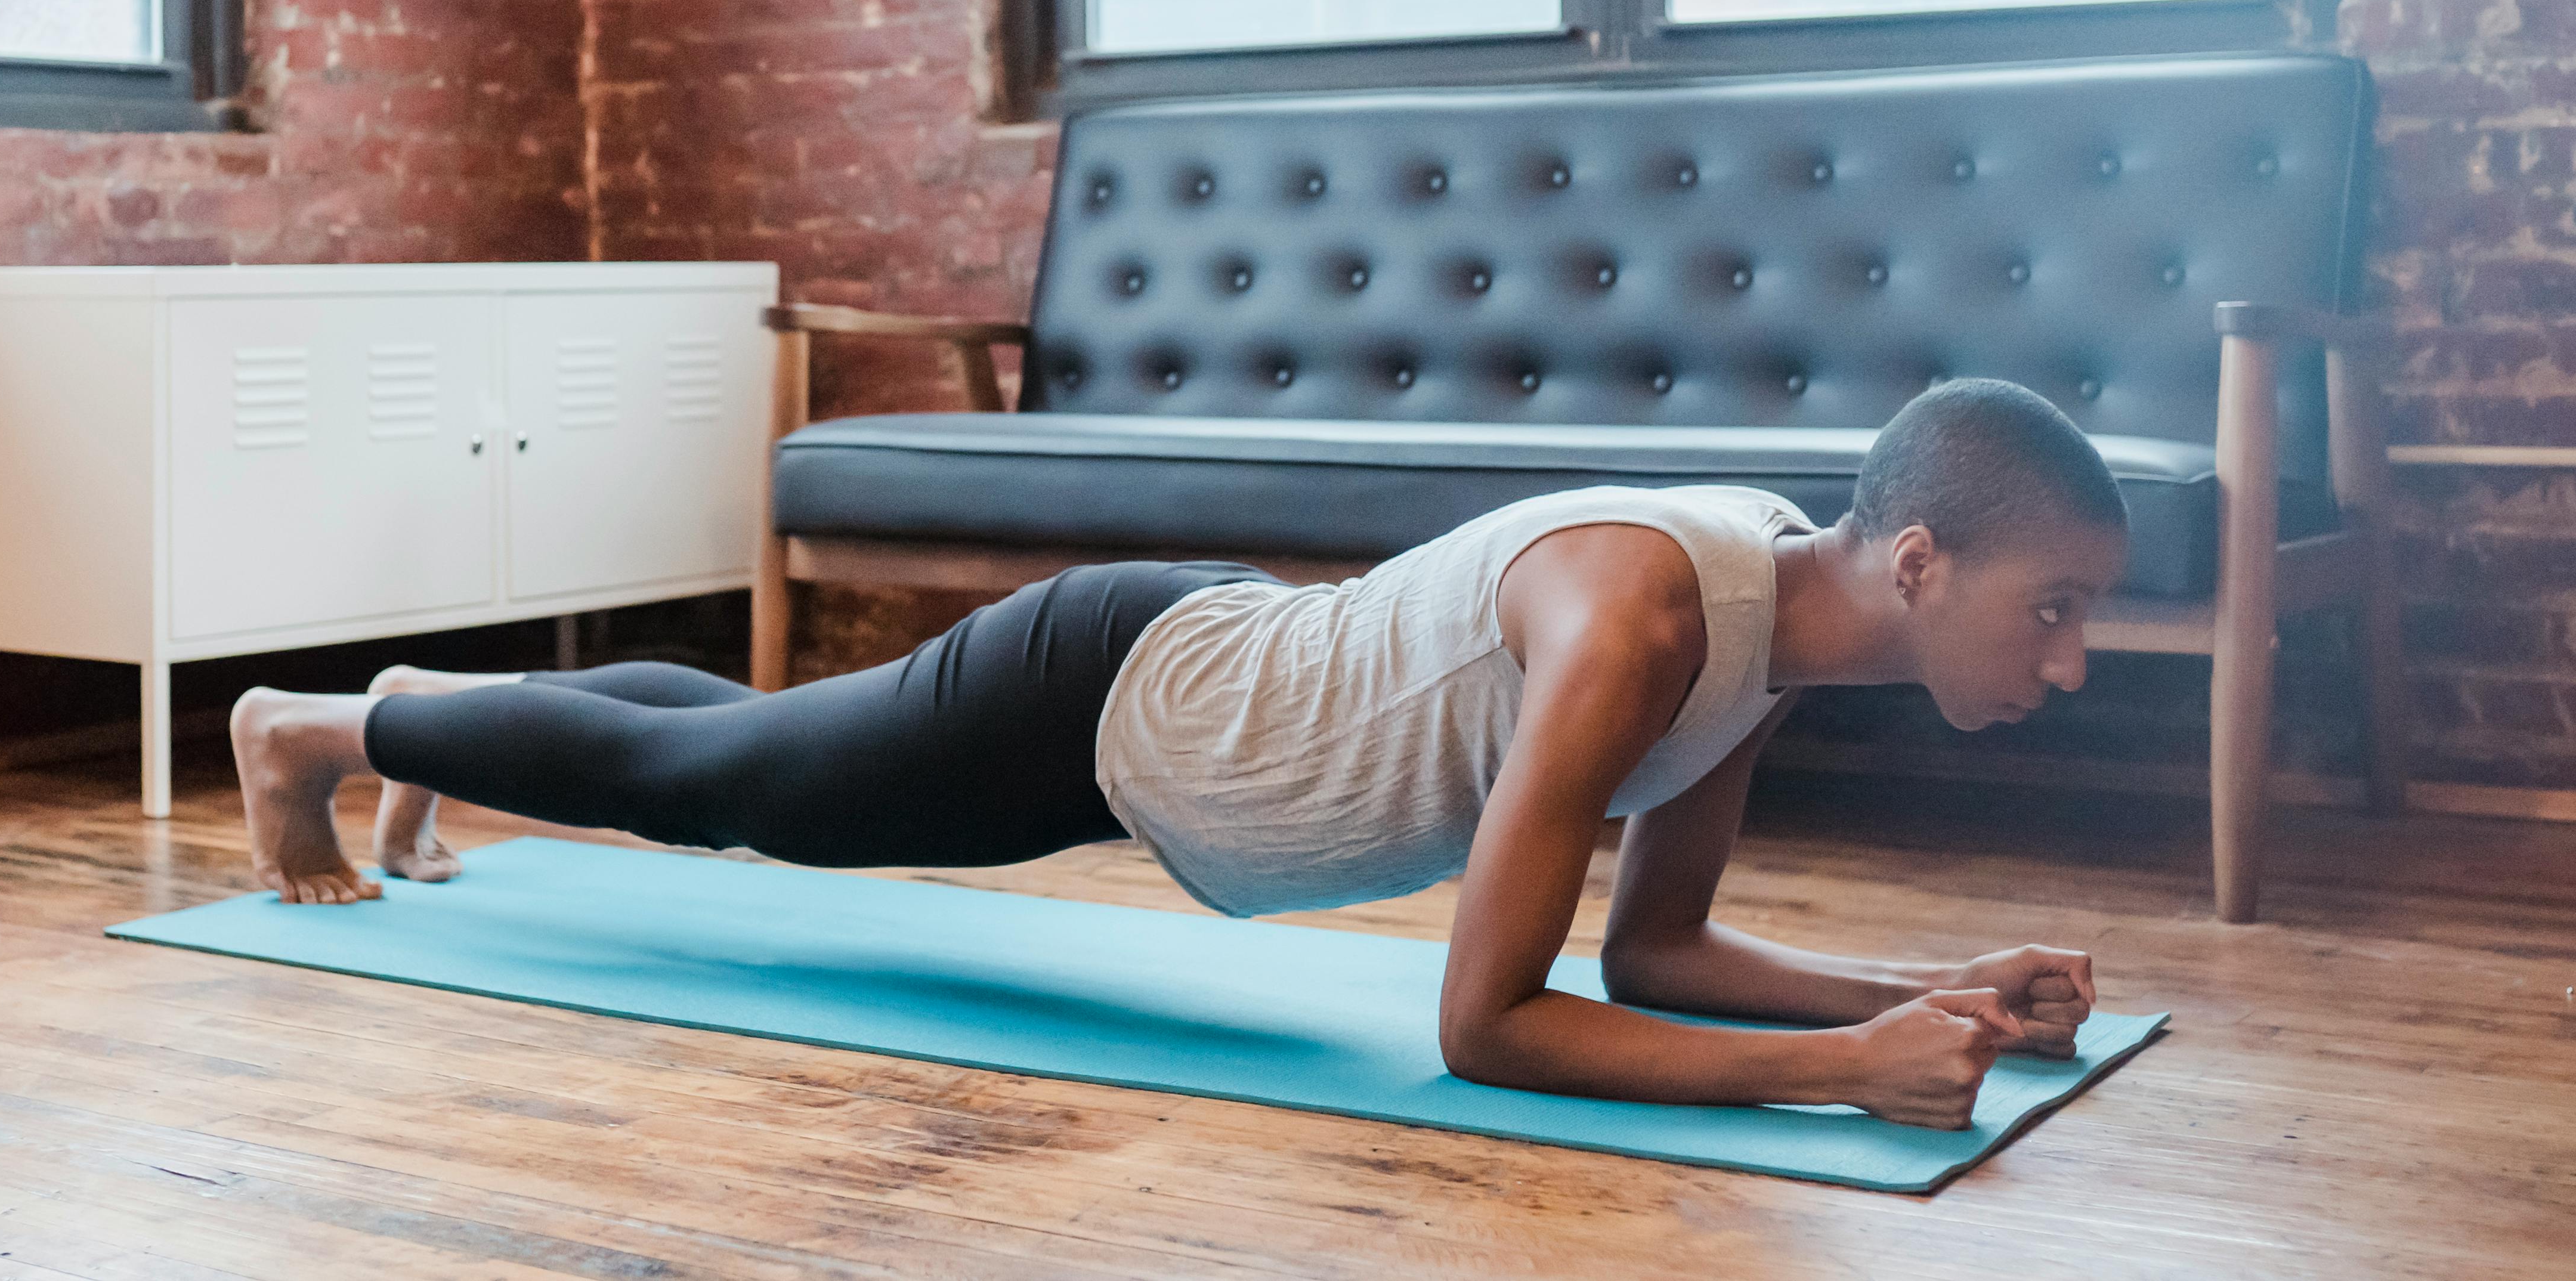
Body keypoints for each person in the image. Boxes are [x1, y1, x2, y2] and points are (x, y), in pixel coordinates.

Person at [230, 378, 2126, 1130]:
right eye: (2048, 608)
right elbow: (1486, 1028)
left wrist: (1926, 995)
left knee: (747, 756)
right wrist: (1832, 1077)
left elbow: (1651, 961)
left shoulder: (1762, 634)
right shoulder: (1639, 618)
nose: (2070, 663)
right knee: (733, 804)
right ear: (1916, 560)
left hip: (1183, 699)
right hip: (1119, 704)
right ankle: (313, 724)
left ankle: (425, 702)